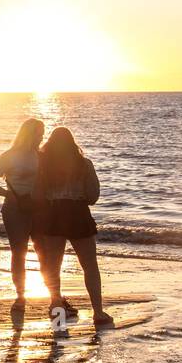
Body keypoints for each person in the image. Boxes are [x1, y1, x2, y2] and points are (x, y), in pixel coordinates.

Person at [35, 126, 112, 327]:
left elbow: (38, 194)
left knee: (53, 265)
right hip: (78, 213)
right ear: (72, 143)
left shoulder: (43, 165)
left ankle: (56, 307)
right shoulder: (84, 164)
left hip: (53, 213)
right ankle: (98, 312)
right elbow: (93, 196)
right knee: (89, 266)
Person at [0, 118, 57, 311]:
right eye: (39, 133)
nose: (41, 136)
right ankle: (20, 296)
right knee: (19, 252)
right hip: (14, 209)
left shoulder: (40, 155)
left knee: (44, 252)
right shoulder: (10, 155)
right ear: (29, 134)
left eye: (43, 133)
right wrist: (8, 194)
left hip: (39, 209)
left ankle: (53, 297)